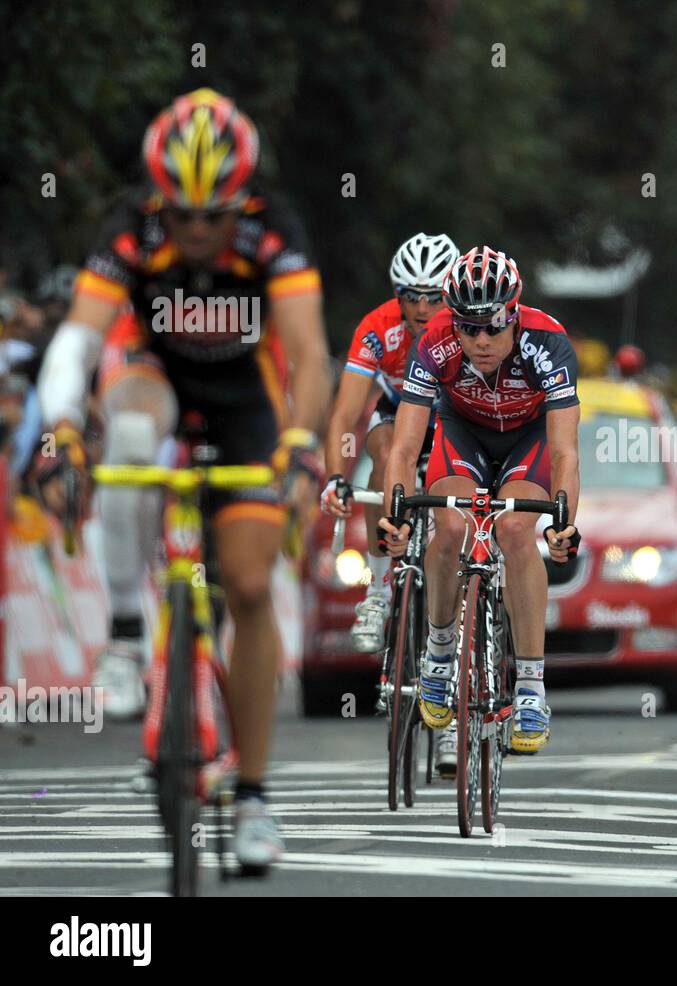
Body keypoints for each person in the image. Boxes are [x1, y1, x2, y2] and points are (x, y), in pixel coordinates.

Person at [35, 88, 330, 871]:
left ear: (244, 199)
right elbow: (75, 342)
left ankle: (256, 796)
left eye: (215, 215)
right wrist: (63, 432)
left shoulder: (275, 232)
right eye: (182, 215)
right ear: (159, 199)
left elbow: (306, 352)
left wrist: (302, 442)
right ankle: (128, 634)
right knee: (127, 434)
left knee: (251, 586)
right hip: (153, 382)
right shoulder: (132, 227)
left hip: (246, 408)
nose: (197, 232)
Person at [380, 247, 582, 754]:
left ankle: (532, 687)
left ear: (513, 314)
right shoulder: (435, 343)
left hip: (526, 440)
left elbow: (563, 451)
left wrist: (563, 523)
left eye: (493, 326)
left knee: (515, 530)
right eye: (468, 328)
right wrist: (395, 514)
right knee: (450, 524)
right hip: (463, 434)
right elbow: (404, 448)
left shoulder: (549, 343)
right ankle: (440, 654)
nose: (481, 340)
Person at [320, 232, 458, 773]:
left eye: (433, 297)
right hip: (399, 418)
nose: (423, 310)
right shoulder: (378, 329)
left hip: (452, 422)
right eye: (412, 297)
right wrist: (334, 476)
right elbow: (344, 415)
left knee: (457, 515)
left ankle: (458, 695)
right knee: (382, 465)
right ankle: (380, 589)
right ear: (397, 296)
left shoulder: (464, 329)